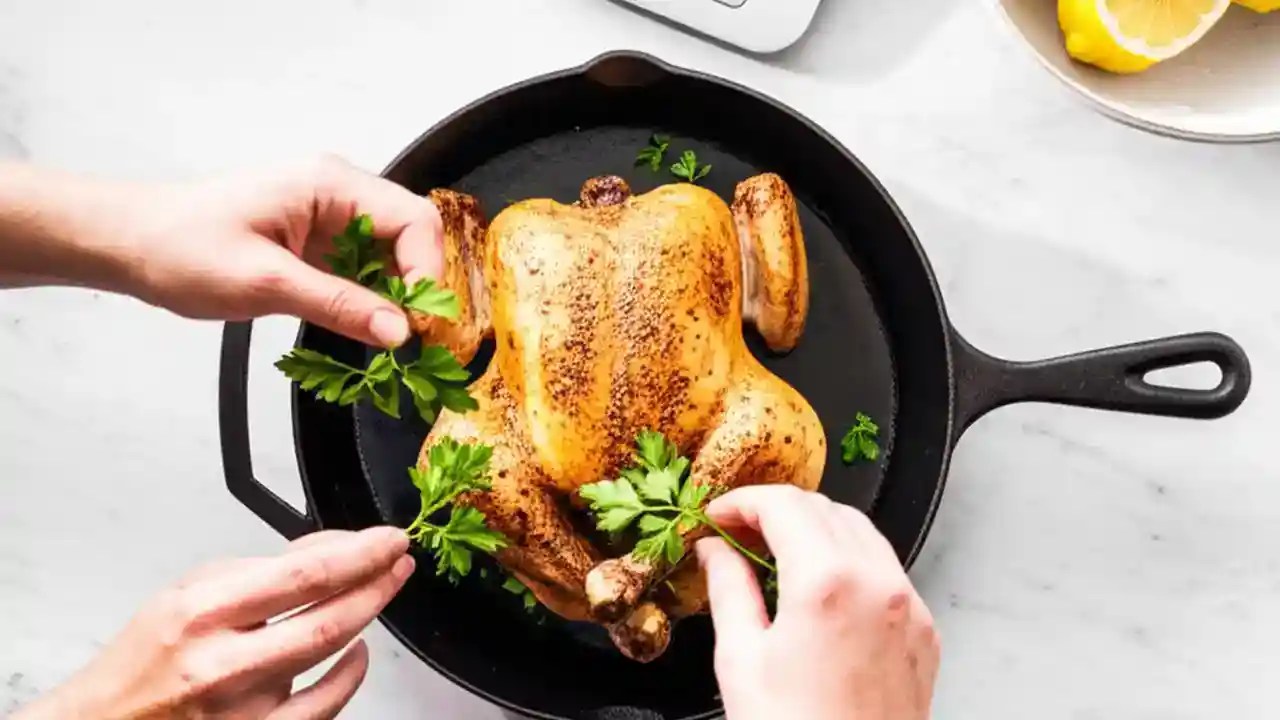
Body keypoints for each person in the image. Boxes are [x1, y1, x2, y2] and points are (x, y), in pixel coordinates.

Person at [0, 157, 940, 719]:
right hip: (600, 444)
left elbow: (450, 327)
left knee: (760, 419)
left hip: (691, 426)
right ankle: (622, 578)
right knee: (475, 448)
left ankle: (621, 582)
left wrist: (125, 230)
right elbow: (781, 317)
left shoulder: (541, 228)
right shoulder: (635, 220)